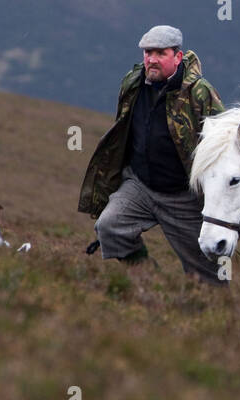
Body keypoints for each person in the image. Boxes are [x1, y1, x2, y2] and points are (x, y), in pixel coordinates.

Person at [77, 24, 226, 285]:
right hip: (140, 185)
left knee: (208, 275)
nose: (151, 59)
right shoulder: (133, 83)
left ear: (177, 57)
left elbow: (225, 143)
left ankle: (216, 315)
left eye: (160, 53)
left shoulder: (200, 92)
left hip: (184, 194)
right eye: (148, 53)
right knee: (109, 227)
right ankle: (151, 283)